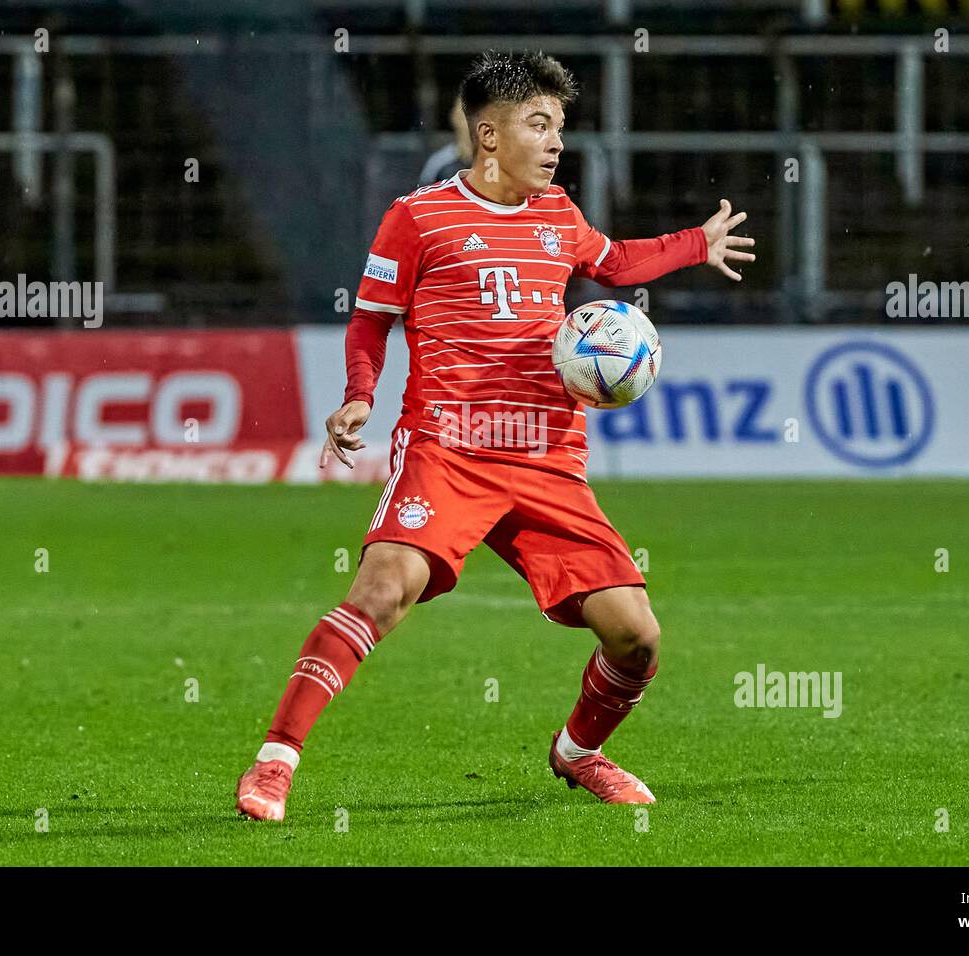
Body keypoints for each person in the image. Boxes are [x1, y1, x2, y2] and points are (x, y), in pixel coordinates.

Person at [237, 49, 755, 821]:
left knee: (636, 638)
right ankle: (276, 761)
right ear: (488, 134)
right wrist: (358, 398)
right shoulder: (418, 217)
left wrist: (693, 245)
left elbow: (615, 265)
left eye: (559, 127)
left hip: (547, 456)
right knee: (381, 592)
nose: (555, 142)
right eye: (538, 125)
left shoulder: (558, 217)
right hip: (449, 447)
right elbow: (372, 319)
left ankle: (578, 754)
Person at [418, 95, 473, 186]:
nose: (473, 122)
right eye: (467, 115)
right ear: (455, 118)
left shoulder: (496, 162)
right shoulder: (439, 164)